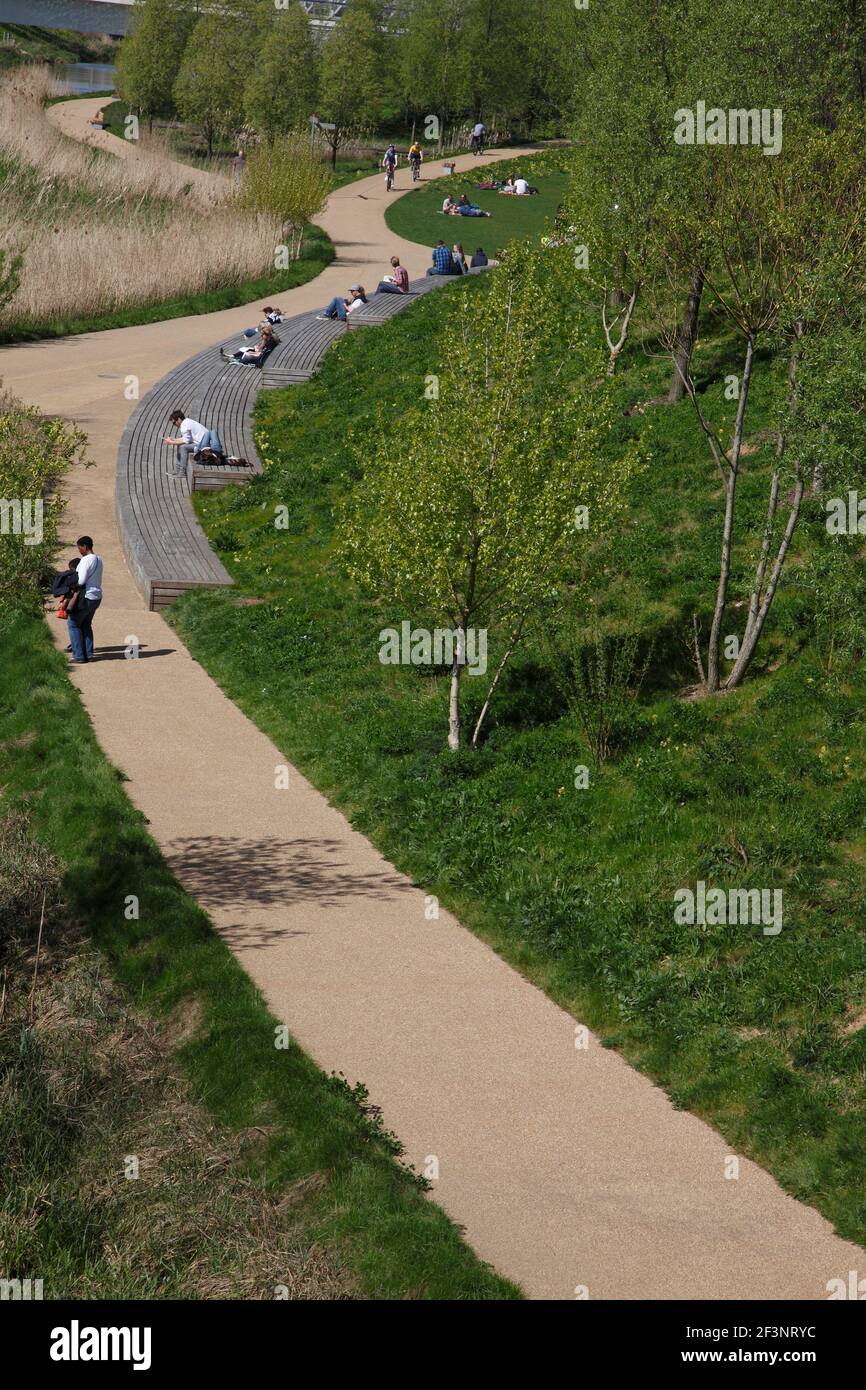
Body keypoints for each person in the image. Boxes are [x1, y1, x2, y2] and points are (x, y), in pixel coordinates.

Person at [66, 536, 103, 665]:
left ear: (85, 547)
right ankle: (89, 654)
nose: (79, 551)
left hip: (86, 597)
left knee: (73, 624)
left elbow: (80, 580)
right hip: (96, 597)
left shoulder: (85, 560)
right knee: (86, 624)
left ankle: (79, 656)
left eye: (79, 548)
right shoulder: (99, 559)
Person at [163, 411, 226, 477]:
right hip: (202, 443)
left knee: (183, 447)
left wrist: (171, 442)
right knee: (180, 445)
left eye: (174, 422)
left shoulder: (184, 425)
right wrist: (173, 440)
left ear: (179, 419)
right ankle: (178, 470)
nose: (174, 425)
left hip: (205, 447)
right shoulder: (187, 421)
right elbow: (187, 439)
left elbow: (186, 441)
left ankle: (182, 472)